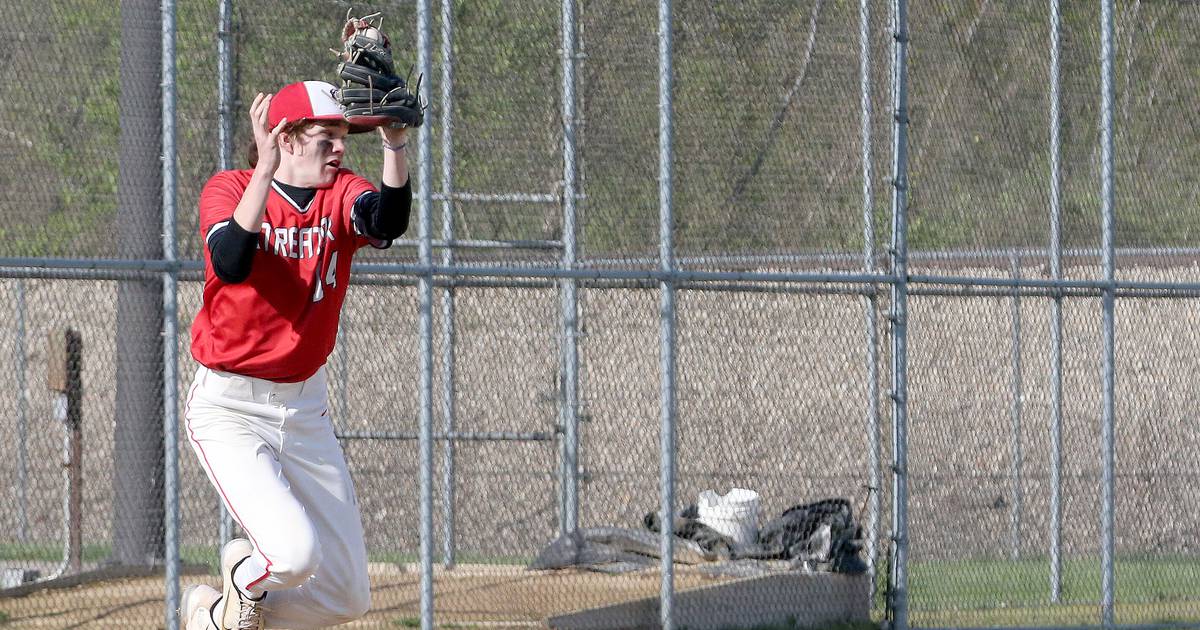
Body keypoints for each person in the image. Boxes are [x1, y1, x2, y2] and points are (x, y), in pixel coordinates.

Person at [178, 79, 413, 630]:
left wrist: (395, 147)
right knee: (293, 555)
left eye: (342, 136)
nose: (339, 147)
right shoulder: (230, 187)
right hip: (231, 408)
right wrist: (262, 170)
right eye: (326, 136)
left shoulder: (341, 192)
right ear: (285, 139)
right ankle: (237, 588)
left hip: (306, 410)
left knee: (347, 598)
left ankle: (217, 618)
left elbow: (387, 220)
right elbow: (232, 261)